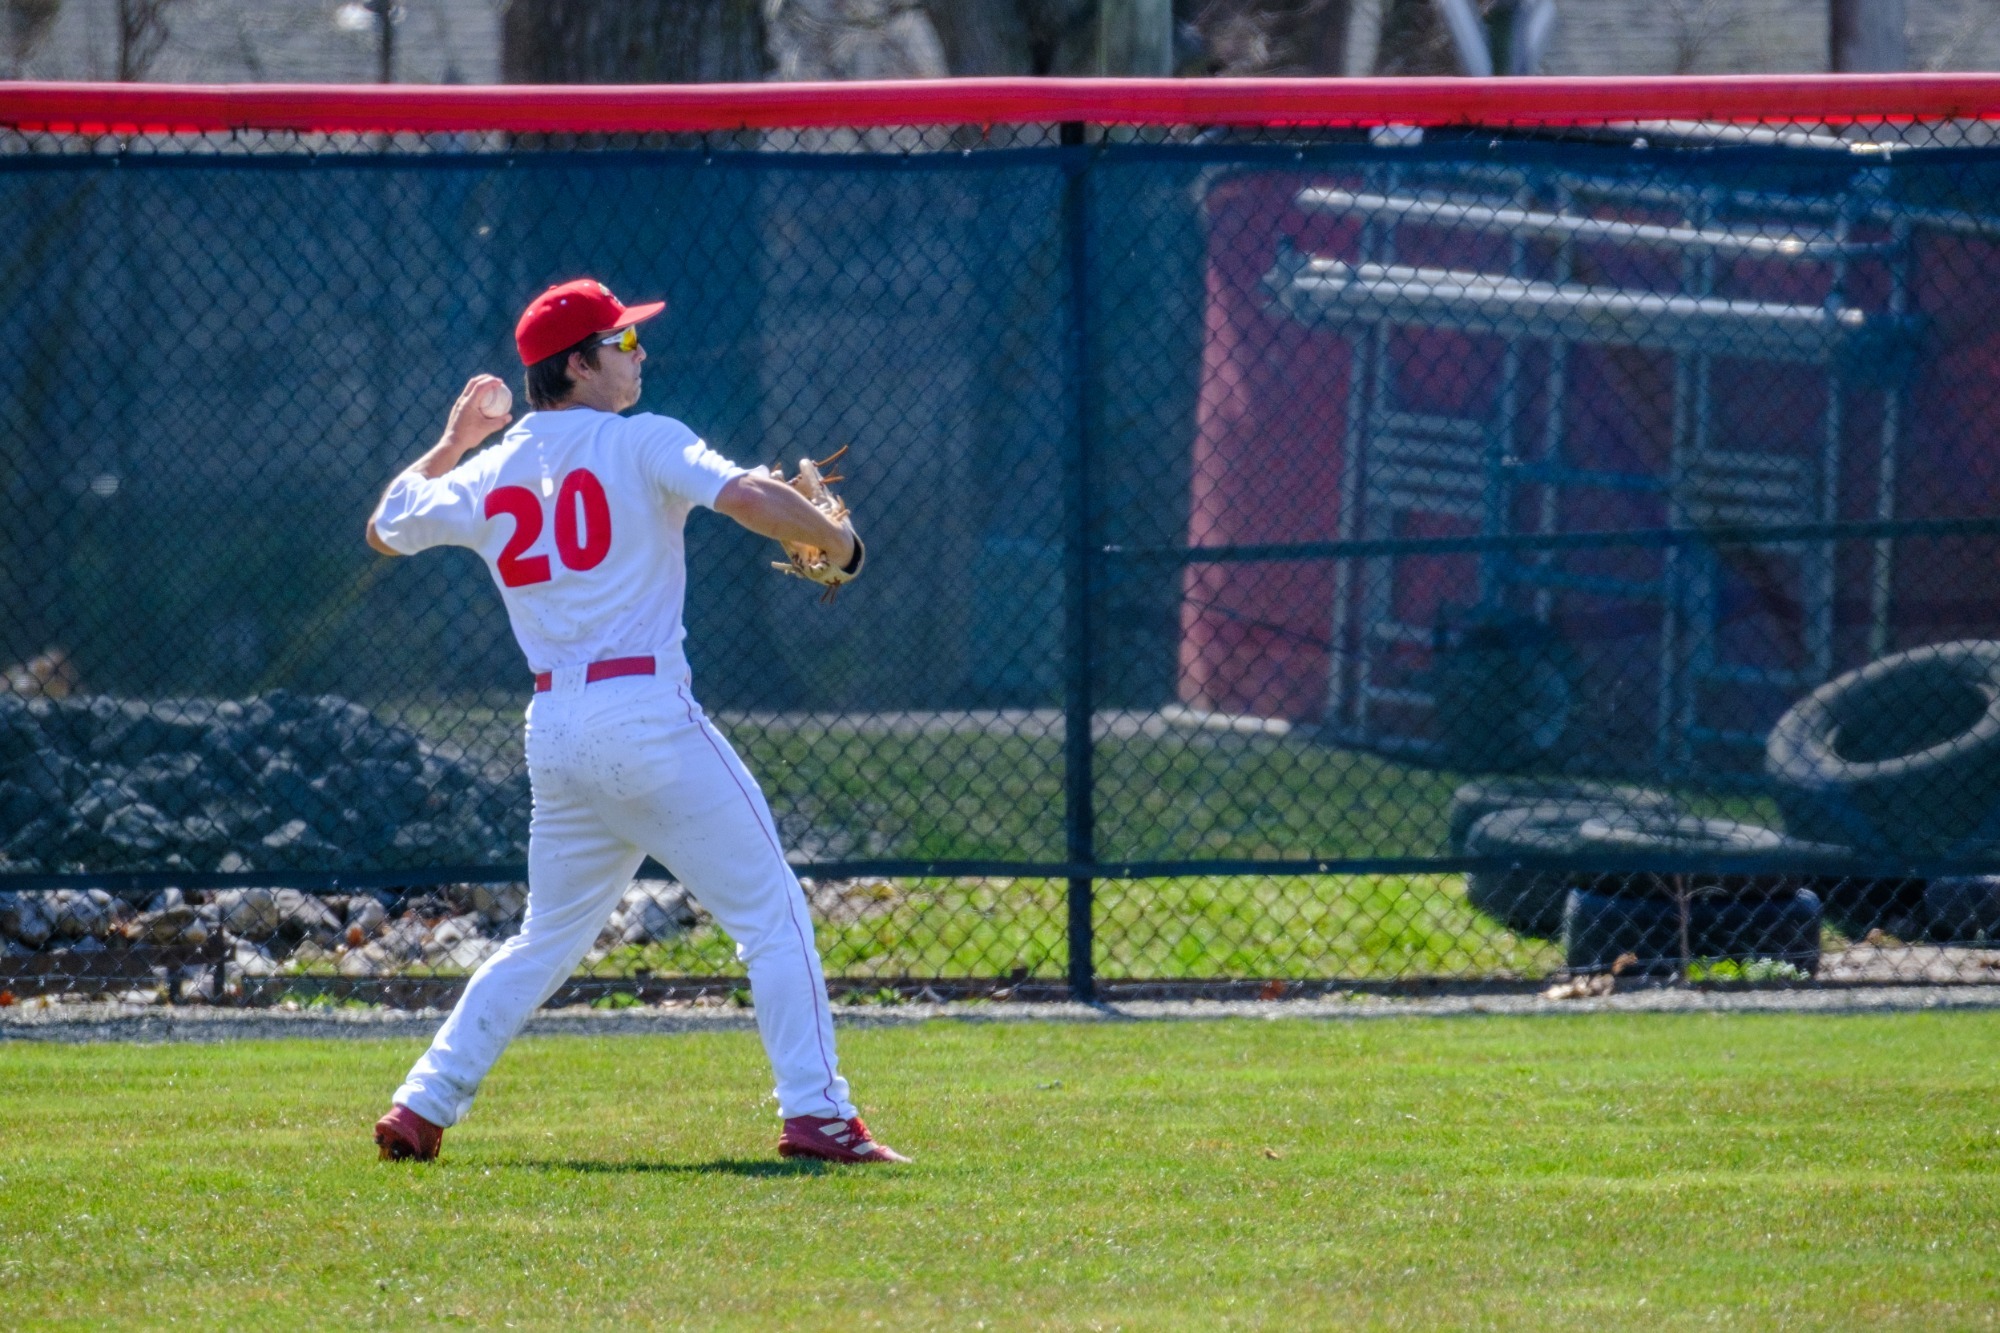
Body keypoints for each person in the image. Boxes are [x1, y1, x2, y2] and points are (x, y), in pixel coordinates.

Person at [363, 277, 903, 1165]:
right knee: (773, 913)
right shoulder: (644, 441)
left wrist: (456, 440)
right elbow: (746, 498)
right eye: (620, 342)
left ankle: (422, 1102)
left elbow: (386, 525)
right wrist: (844, 545)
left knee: (545, 936)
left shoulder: (489, 469)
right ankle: (818, 1113)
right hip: (647, 717)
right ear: (577, 365)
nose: (638, 353)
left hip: (557, 728)